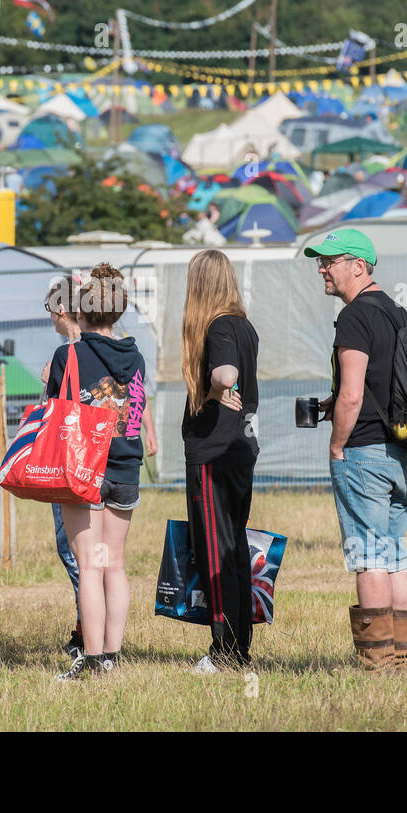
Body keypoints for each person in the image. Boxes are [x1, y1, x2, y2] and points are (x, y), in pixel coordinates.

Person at [306, 228, 407, 673]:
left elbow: (352, 395)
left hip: (363, 450)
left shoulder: (354, 317)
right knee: (394, 556)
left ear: (359, 265)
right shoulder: (395, 311)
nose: (322, 269)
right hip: (398, 450)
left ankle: (377, 664)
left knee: (368, 556)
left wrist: (337, 445)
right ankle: (403, 659)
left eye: (329, 261)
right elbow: (381, 383)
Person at [46, 263, 147, 679]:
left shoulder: (68, 354)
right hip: (125, 467)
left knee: (88, 564)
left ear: (82, 311)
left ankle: (90, 659)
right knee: (114, 563)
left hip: (84, 468)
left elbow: (52, 407)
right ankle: (112, 654)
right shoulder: (136, 354)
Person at [180, 249, 259, 672]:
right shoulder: (244, 326)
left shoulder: (218, 327)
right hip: (241, 450)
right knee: (233, 549)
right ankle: (238, 646)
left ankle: (225, 651)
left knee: (214, 551)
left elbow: (225, 373)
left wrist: (215, 388)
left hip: (213, 454)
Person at [41, 274, 84, 660]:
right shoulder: (107, 343)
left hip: (69, 460)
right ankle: (86, 625)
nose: (50, 317)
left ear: (63, 310)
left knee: (72, 549)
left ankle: (87, 626)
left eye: (50, 309)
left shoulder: (69, 352)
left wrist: (49, 382)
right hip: (96, 460)